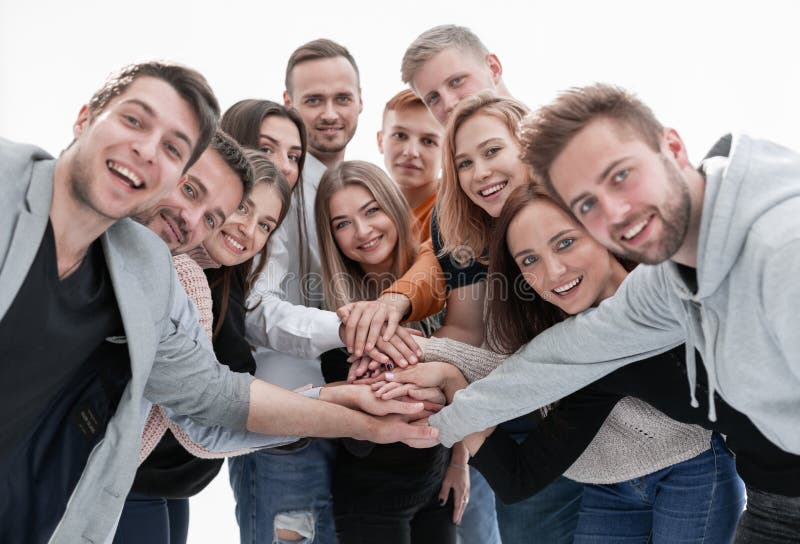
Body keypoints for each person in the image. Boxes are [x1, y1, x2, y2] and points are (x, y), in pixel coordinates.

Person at [0, 61, 437, 544]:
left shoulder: (155, 279)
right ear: (85, 117)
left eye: (213, 216)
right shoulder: (10, 184)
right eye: (134, 121)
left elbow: (211, 402)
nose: (192, 219)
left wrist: (353, 413)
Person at [426, 83, 800, 542]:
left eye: (621, 175)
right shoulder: (657, 285)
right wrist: (438, 407)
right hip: (771, 495)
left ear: (673, 146)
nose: (615, 212)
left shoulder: (781, 248)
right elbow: (554, 360)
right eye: (586, 204)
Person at [378, 184, 746, 542]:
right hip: (610, 483)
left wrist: (434, 371)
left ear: (601, 230)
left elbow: (523, 375)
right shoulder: (565, 345)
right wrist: (441, 375)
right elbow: (518, 405)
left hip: (698, 468)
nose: (553, 271)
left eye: (565, 243)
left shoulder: (664, 290)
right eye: (529, 260)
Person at [115, 130, 253, 544]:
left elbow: (203, 407)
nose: (192, 219)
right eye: (190, 189)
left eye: (211, 218)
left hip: (145, 478)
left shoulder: (187, 279)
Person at [314, 160, 458, 543]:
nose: (363, 231)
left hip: (436, 486)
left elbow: (471, 384)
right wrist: (366, 392)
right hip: (371, 499)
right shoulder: (333, 314)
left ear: (394, 206)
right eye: (342, 223)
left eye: (372, 210)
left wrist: (460, 463)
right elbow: (355, 438)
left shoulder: (439, 280)